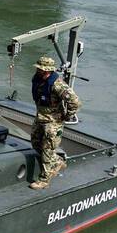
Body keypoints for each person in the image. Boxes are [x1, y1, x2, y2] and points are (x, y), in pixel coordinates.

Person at [29, 56, 81, 190]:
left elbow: (75, 101)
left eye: (42, 70)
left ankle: (44, 179)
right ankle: (57, 161)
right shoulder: (38, 79)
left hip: (53, 122)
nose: (39, 71)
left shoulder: (58, 85)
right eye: (39, 69)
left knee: (47, 149)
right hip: (41, 117)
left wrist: (66, 116)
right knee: (35, 142)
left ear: (48, 71)